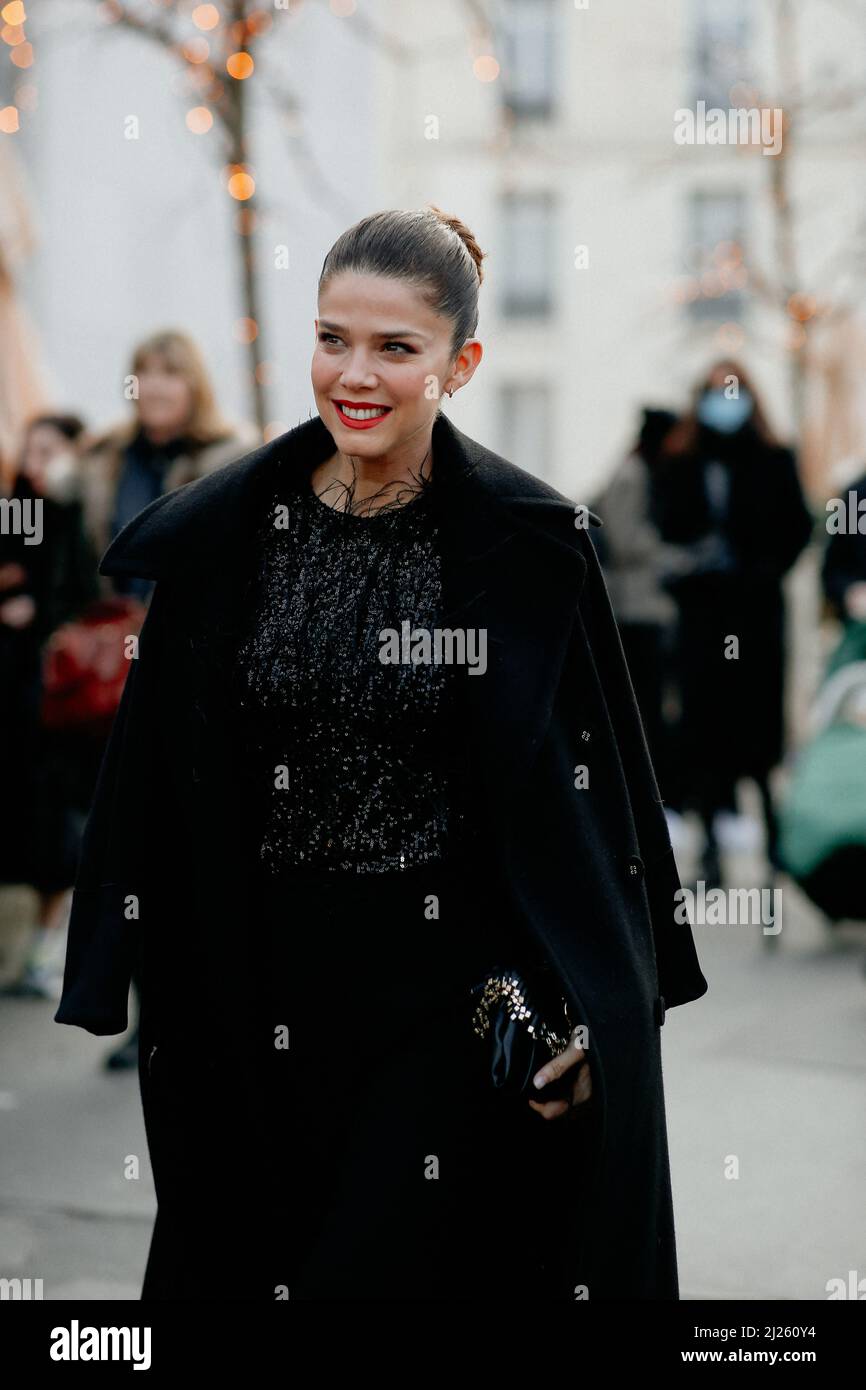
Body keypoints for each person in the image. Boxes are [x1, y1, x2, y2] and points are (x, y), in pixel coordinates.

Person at [55, 205, 708, 1301]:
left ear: (461, 362)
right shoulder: (224, 538)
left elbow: (600, 810)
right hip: (247, 1000)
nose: (353, 375)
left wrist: (594, 1002)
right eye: (331, 339)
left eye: (395, 348)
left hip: (438, 1009)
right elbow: (153, 783)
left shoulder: (528, 546)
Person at [76, 329, 259, 1067]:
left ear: (193, 388)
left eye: (167, 379)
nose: (153, 391)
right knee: (123, 849)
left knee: (189, 851)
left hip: (193, 680)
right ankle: (136, 1006)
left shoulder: (226, 463)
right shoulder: (103, 461)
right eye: (142, 379)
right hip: (113, 676)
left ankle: (199, 1008)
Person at [652, 359, 814, 888]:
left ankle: (773, 845)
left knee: (759, 734)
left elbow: (797, 528)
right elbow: (662, 530)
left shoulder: (773, 459)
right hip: (701, 616)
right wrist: (692, 568)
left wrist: (757, 571)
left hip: (756, 617)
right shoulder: (679, 461)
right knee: (703, 734)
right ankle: (711, 851)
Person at [0, 414, 100, 998]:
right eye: (31, 449)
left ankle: (50, 951)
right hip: (17, 698)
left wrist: (33, 606)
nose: (37, 461)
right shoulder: (21, 510)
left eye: (50, 450)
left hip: (64, 698)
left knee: (58, 831)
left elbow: (79, 592)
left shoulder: (75, 512)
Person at [590, 408, 682, 812]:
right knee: (643, 707)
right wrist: (677, 556)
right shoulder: (633, 474)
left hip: (641, 606)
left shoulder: (639, 471)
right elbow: (626, 540)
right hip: (635, 608)